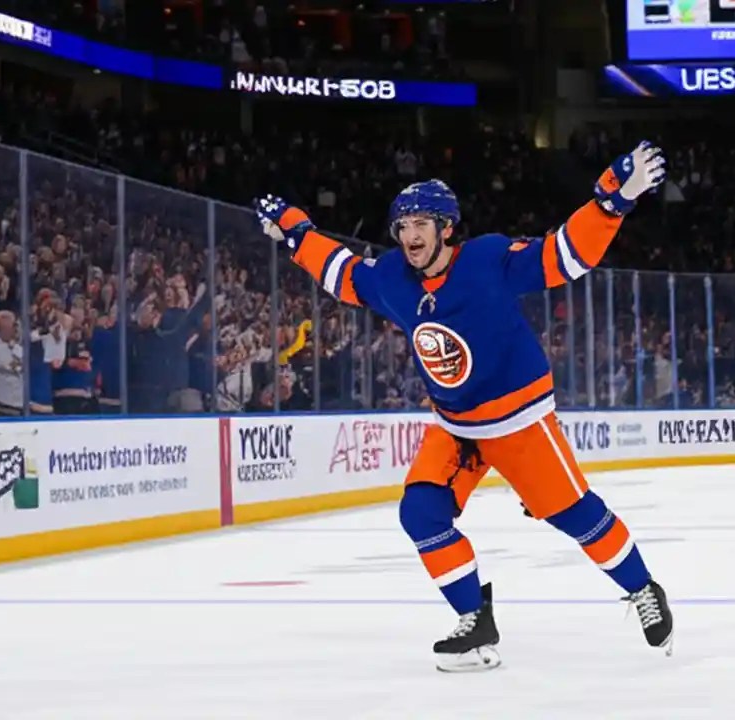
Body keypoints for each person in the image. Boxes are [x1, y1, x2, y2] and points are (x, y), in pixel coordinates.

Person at [255, 141, 672, 673]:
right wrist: (297, 234)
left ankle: (642, 588)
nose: (410, 235)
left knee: (576, 516)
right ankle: (475, 621)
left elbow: (564, 255)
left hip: (521, 421)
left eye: (422, 223)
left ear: (447, 227)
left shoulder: (487, 259)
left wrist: (611, 202)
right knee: (420, 513)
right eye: (402, 225)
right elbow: (343, 274)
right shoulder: (393, 279)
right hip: (455, 427)